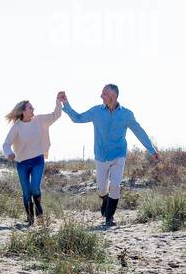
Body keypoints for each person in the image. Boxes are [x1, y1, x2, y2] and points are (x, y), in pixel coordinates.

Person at [57, 84, 156, 227]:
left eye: (104, 94)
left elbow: (139, 131)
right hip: (101, 156)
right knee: (102, 189)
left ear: (113, 96)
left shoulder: (126, 114)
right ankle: (104, 198)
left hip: (118, 155)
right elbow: (77, 118)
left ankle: (109, 218)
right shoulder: (96, 111)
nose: (101, 96)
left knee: (115, 186)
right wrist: (65, 103)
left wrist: (152, 150)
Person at [2, 97, 61, 226]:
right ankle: (30, 219)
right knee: (26, 192)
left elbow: (56, 115)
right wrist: (9, 153)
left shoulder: (39, 120)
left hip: (37, 160)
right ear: (23, 111)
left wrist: (58, 101)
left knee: (34, 188)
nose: (33, 109)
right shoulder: (17, 127)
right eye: (30, 108)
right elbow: (6, 144)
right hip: (22, 163)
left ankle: (39, 213)